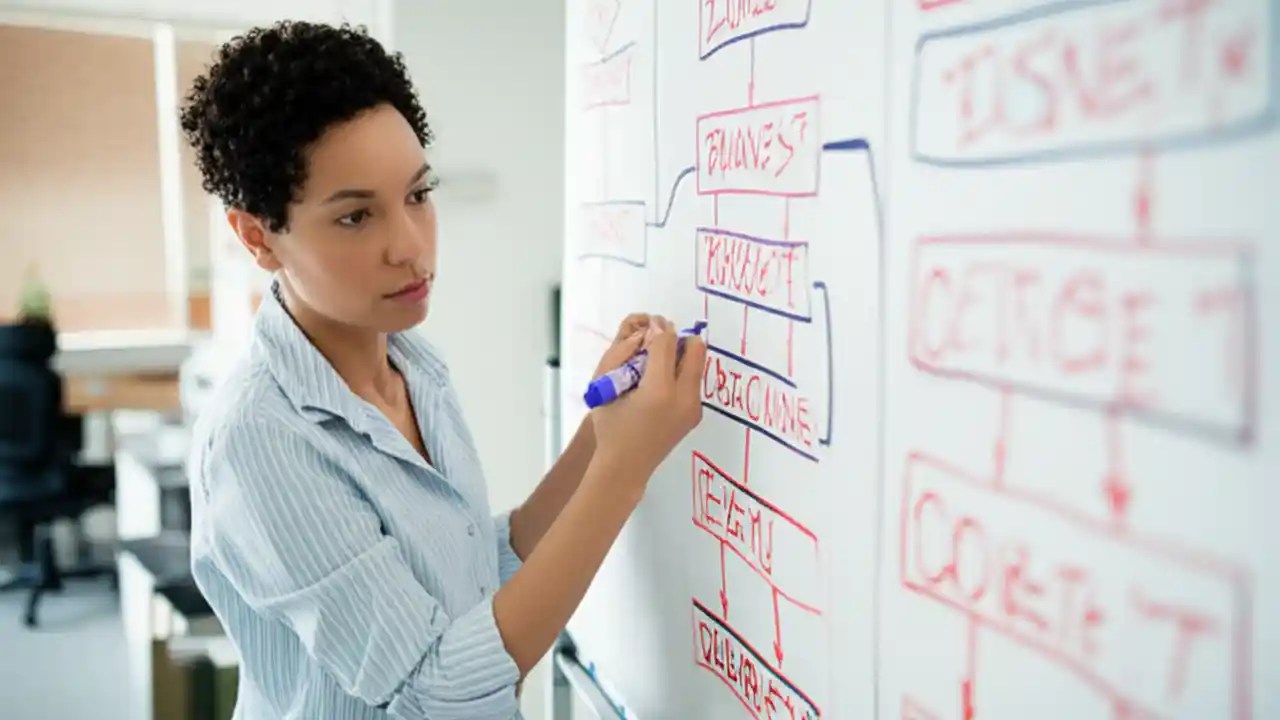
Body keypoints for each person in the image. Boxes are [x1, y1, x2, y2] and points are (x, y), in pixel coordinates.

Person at [180, 21, 705, 720]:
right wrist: (623, 471)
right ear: (257, 238)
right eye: (356, 217)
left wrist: (597, 440)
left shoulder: (410, 360)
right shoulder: (260, 441)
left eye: (419, 195)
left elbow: (472, 575)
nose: (411, 247)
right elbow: (435, 694)